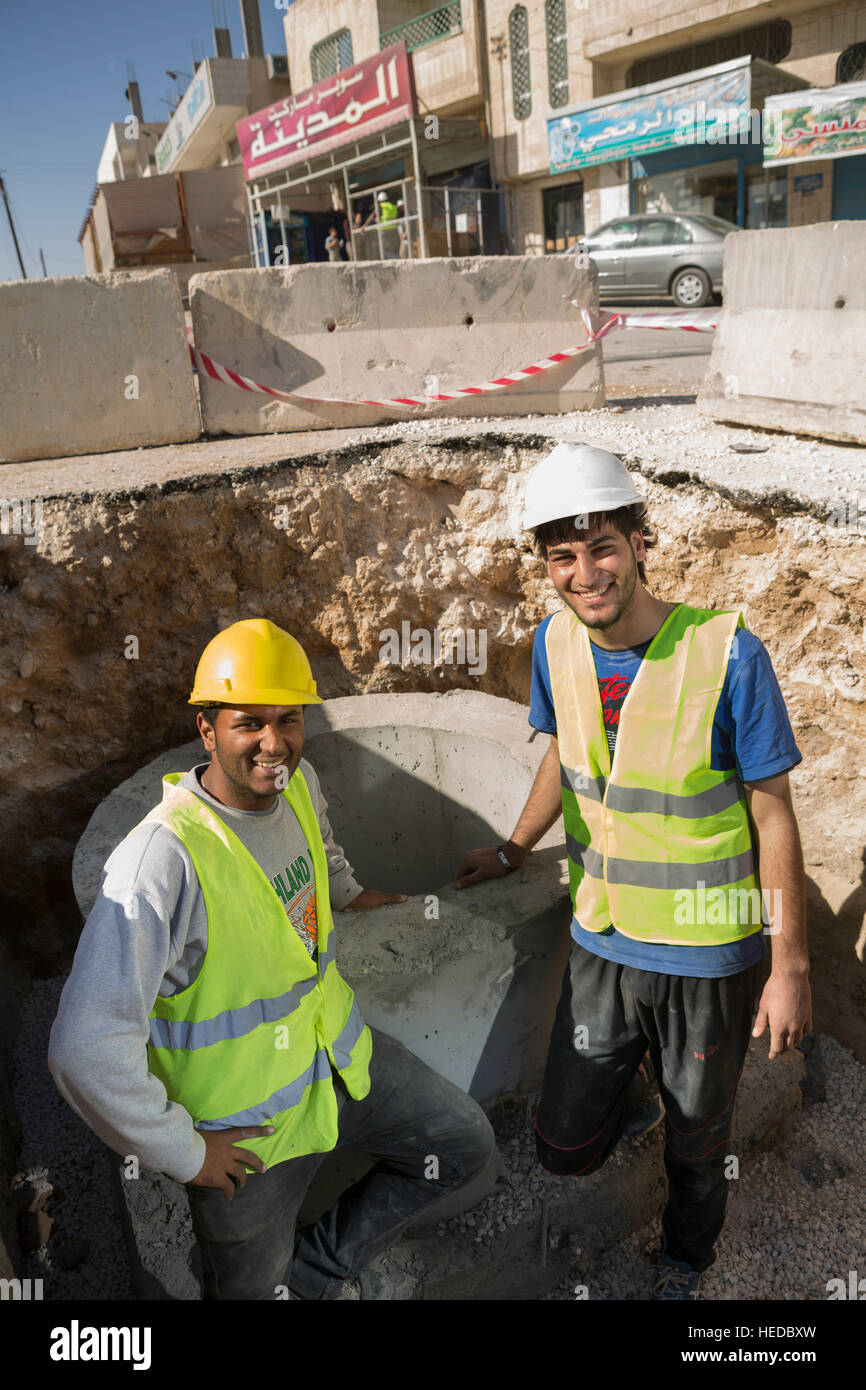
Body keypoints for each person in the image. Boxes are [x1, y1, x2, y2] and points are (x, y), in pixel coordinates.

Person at [455, 442, 811, 1301]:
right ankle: (641, 1089)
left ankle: (688, 1259)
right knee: (564, 1144)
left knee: (699, 1144)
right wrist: (512, 848)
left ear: (641, 540)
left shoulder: (728, 655)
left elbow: (773, 814)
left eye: (602, 546)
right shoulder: (555, 645)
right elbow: (564, 759)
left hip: (705, 956)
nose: (585, 574)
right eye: (563, 557)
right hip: (605, 940)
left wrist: (791, 965)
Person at [49, 618, 496, 1300]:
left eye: (289, 719)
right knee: (246, 1292)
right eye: (248, 722)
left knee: (462, 1145)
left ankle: (314, 1276)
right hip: (247, 1135)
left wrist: (350, 895)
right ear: (207, 730)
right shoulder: (161, 863)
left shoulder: (298, 782)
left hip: (339, 1064)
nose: (273, 742)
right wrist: (186, 1154)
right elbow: (84, 1047)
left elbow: (320, 855)